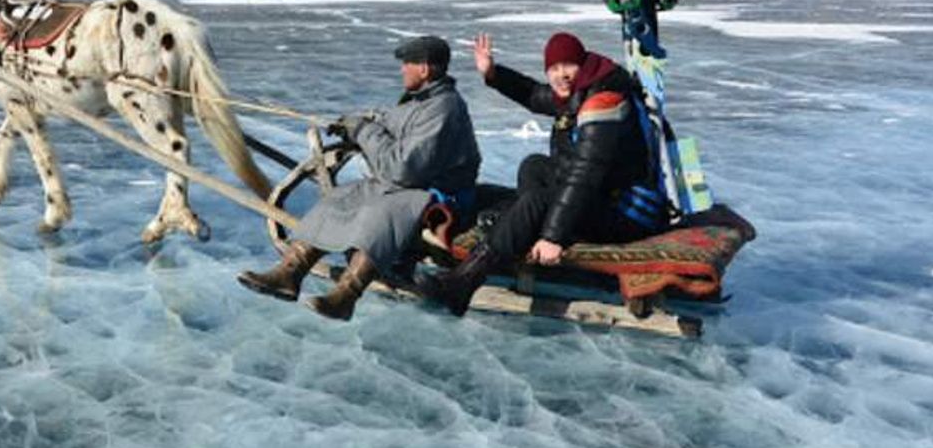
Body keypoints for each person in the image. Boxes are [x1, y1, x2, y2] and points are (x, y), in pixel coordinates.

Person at [237, 35, 480, 321]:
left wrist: (364, 132)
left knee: (383, 212)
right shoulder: (424, 101)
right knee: (341, 198)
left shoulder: (444, 108)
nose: (402, 69)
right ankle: (290, 271)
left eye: (407, 64)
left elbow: (401, 170)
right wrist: (355, 122)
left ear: (424, 69)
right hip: (406, 186)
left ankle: (346, 295)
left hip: (436, 195)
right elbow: (389, 120)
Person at [416, 30, 658, 316]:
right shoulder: (584, 86)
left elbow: (585, 174)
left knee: (537, 202)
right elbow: (534, 94)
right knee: (534, 166)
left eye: (568, 65)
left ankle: (462, 284)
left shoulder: (603, 102)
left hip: (629, 213)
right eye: (554, 68)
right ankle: (524, 228)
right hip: (605, 193)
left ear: (582, 64)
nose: (561, 74)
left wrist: (553, 236)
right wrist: (493, 73)